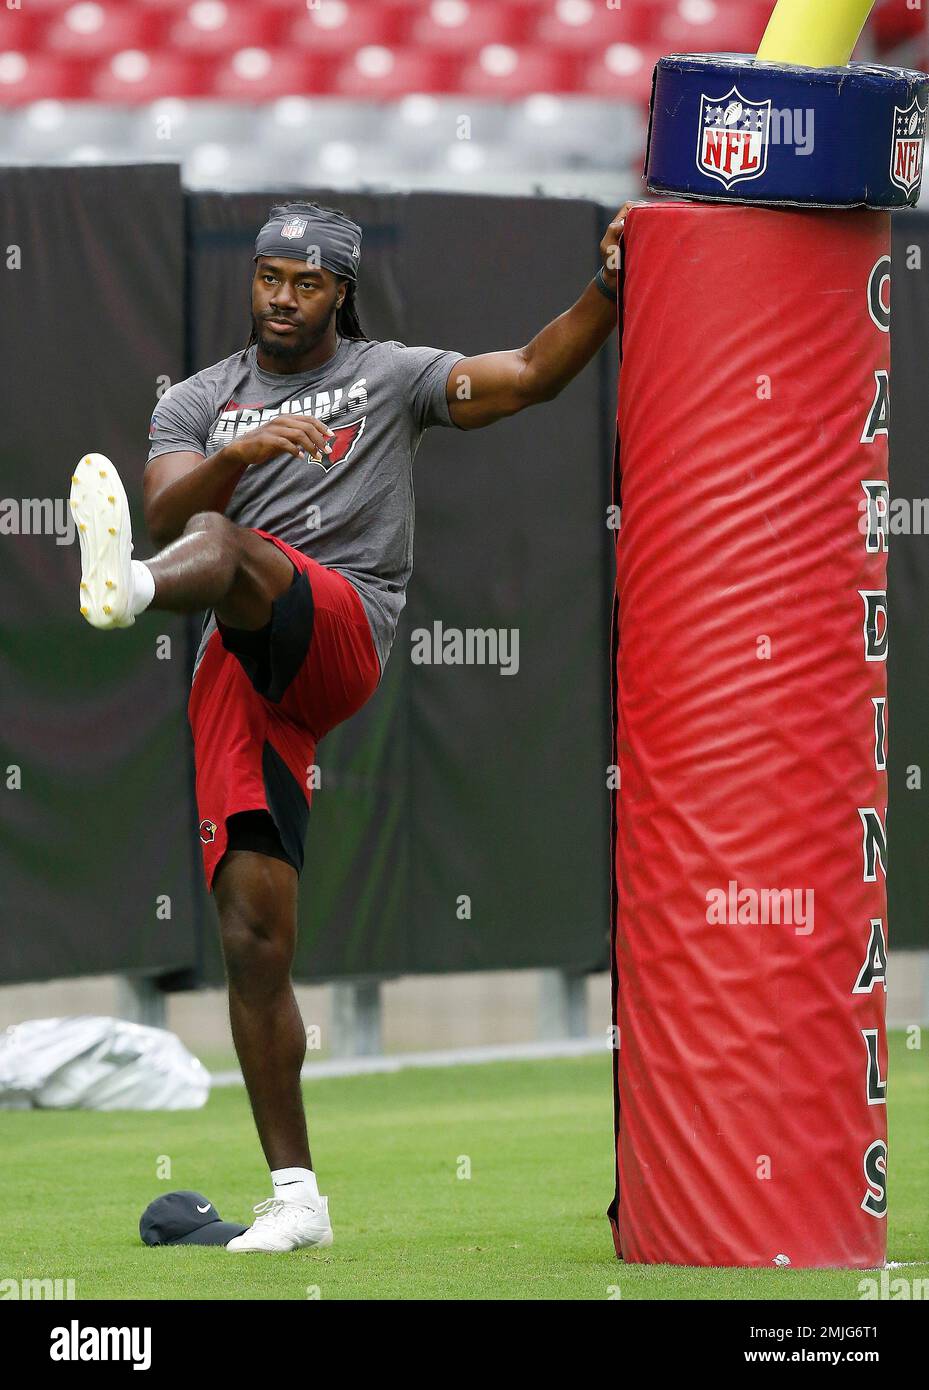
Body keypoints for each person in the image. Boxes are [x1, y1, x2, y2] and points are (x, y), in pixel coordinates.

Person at [70, 197, 632, 1252]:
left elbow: (527, 375)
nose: (283, 297)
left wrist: (606, 289)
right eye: (269, 278)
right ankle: (297, 1198)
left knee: (230, 549)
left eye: (307, 282)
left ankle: (131, 593)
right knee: (250, 938)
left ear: (342, 291)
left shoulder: (390, 379)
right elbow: (161, 503)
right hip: (234, 673)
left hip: (339, 627)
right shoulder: (197, 399)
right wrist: (241, 454)